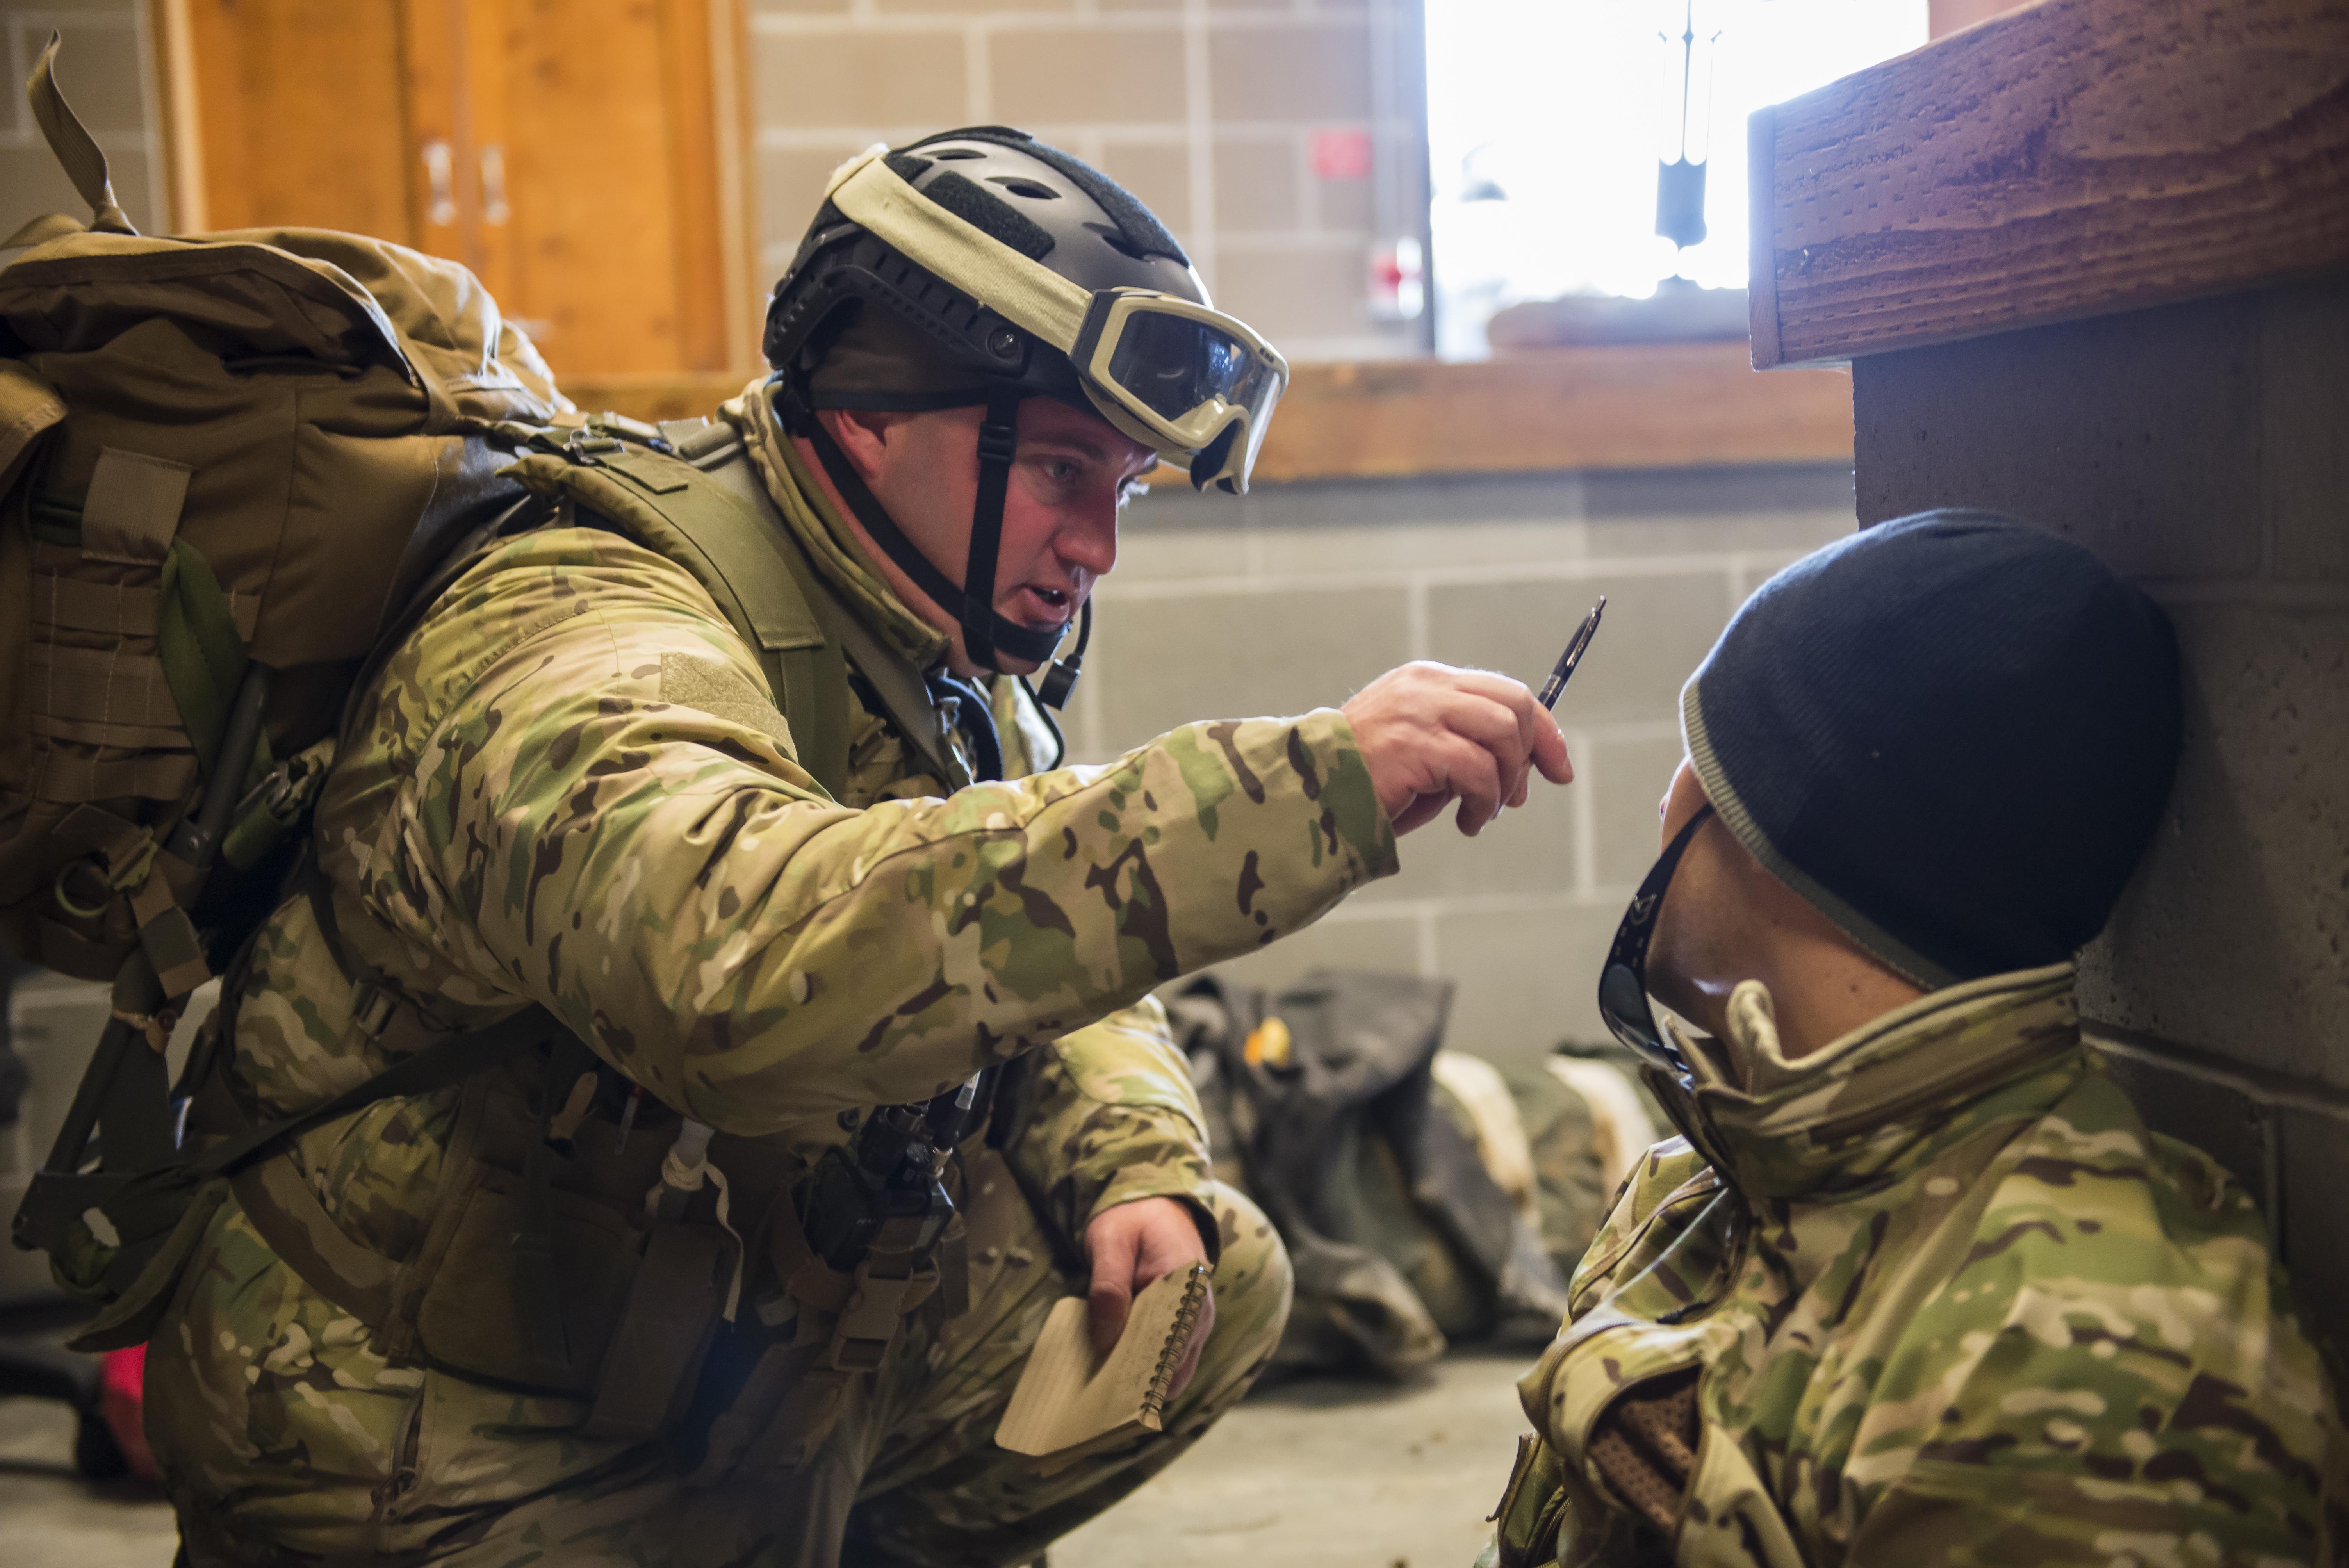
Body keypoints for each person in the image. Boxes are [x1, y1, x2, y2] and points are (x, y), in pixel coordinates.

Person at [141, 128, 1572, 1566]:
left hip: (675, 1344)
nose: (1098, 549)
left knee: (1203, 1273)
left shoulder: (919, 635)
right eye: (1066, 471)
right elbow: (743, 971)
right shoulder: (581, 620)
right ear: (877, 408)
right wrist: (1299, 789)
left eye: (1123, 490)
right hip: (409, 1438)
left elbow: (1035, 950)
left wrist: (1138, 1161)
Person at [1484, 511, 2345, 1567]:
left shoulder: (2082, 1364)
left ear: (1764, 826)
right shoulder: (1708, 1187)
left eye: (1699, 753)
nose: (1671, 792)